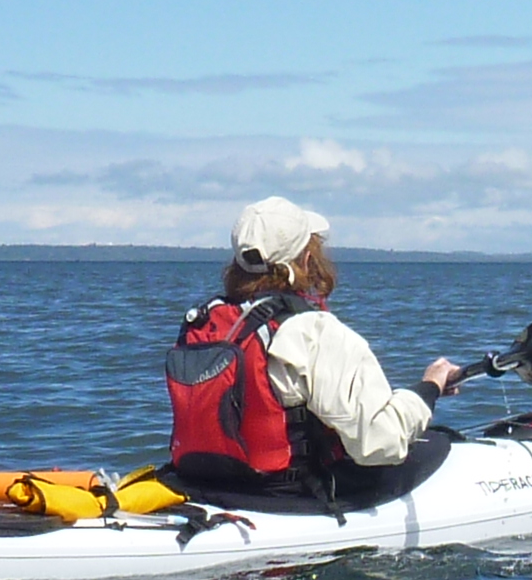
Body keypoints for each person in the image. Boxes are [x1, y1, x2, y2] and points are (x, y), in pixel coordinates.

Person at [164, 196, 468, 505]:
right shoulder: (313, 331)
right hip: (285, 493)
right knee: (437, 444)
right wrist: (428, 390)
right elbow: (379, 442)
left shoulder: (207, 321)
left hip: (208, 483)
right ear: (306, 260)